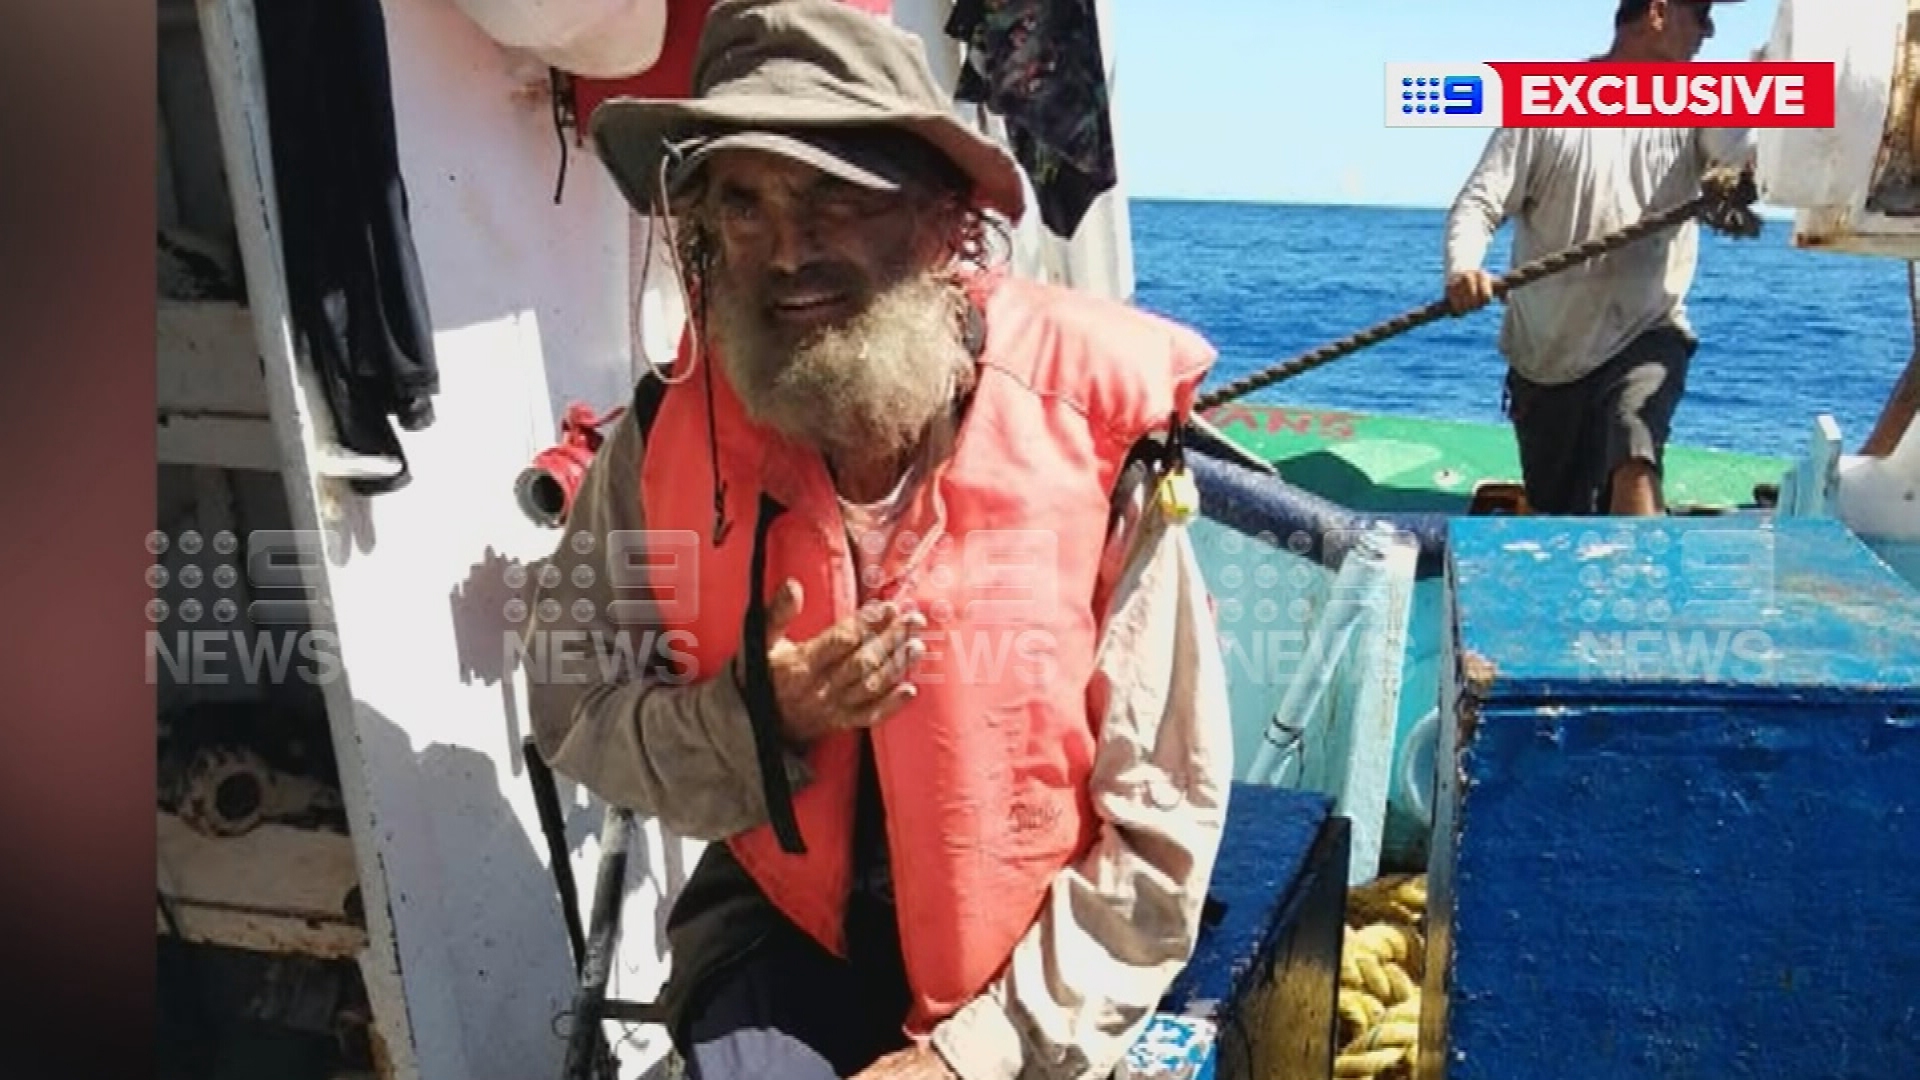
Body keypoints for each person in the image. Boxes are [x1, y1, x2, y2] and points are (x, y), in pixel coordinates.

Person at [519, 2, 1235, 1079]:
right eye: (744, 207)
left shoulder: (1098, 443)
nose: (788, 252)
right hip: (783, 926)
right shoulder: (674, 427)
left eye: (833, 197)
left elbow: (1162, 824)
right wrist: (757, 721)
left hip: (1040, 961)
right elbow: (569, 701)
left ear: (943, 219)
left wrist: (969, 1058)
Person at [1443, 0, 1756, 516]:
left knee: (1633, 440)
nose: (1709, 30)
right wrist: (1463, 268)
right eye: (1699, 13)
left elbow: (1739, 152)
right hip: (1547, 358)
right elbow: (1480, 203)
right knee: (1563, 515)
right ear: (1657, 12)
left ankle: (1642, 590)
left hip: (1646, 330)